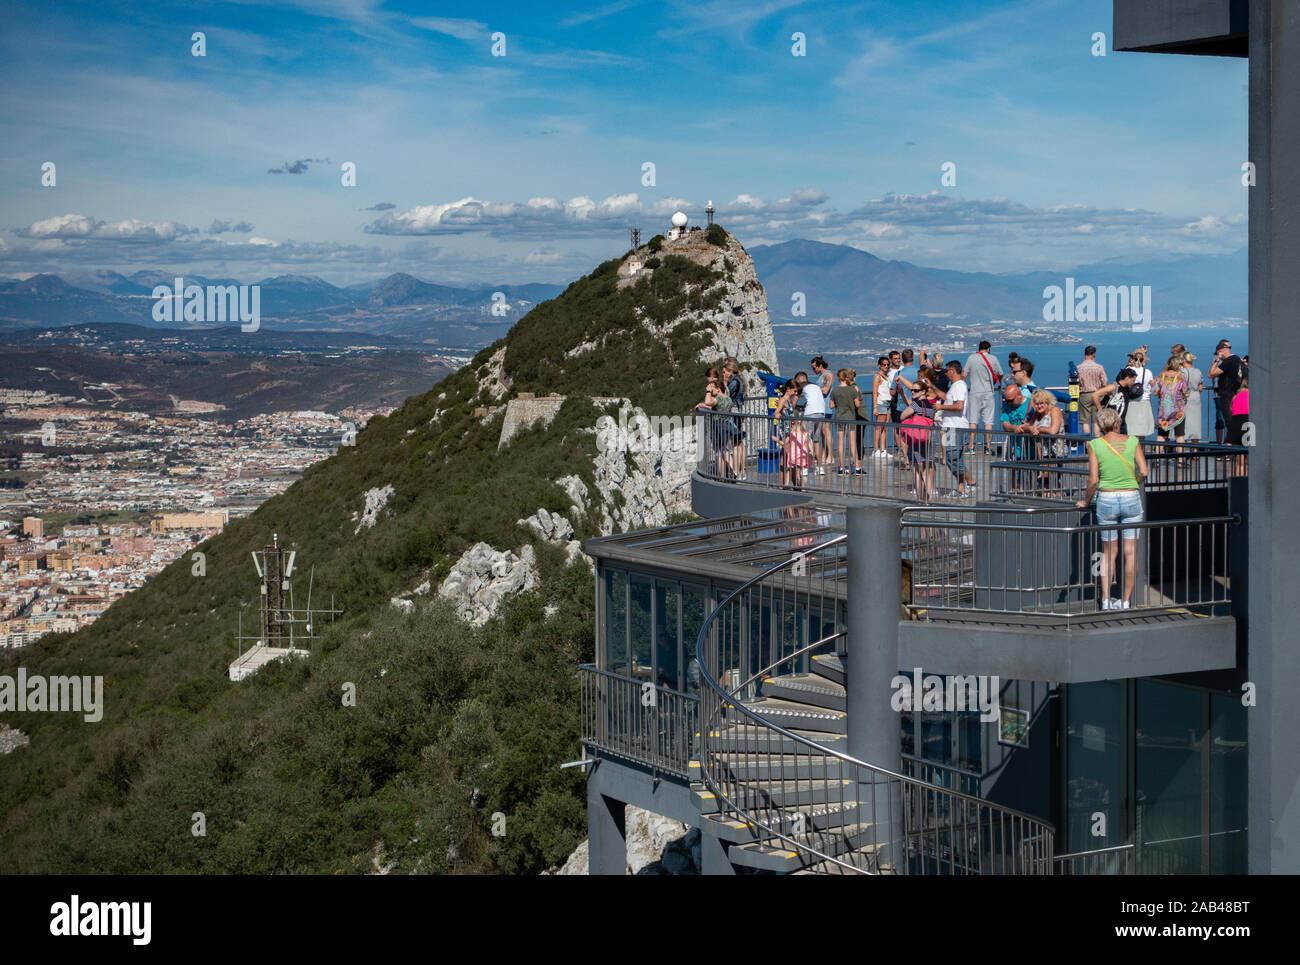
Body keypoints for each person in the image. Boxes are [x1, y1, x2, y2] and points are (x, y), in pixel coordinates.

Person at [1076, 407, 1149, 610]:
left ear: (1100, 426)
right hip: (1131, 497)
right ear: (1117, 423)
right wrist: (1133, 481)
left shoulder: (1095, 445)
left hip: (1106, 498)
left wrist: (1086, 500)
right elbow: (1144, 471)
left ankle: (1106, 599)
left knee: (1108, 553)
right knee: (1130, 552)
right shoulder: (1133, 441)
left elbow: (1093, 480)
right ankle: (1125, 601)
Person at [900, 367, 941, 501]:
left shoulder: (916, 404)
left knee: (917, 469)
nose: (913, 392)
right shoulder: (929, 405)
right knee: (927, 467)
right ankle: (929, 494)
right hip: (928, 438)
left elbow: (902, 415)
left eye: (916, 390)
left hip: (917, 439)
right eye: (912, 390)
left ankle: (920, 496)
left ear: (923, 391)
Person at [937, 359, 973, 497]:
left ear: (952, 370)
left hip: (955, 427)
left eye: (947, 371)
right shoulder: (955, 386)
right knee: (956, 458)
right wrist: (932, 388)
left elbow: (959, 406)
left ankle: (971, 482)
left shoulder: (959, 386)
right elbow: (947, 397)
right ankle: (961, 487)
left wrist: (941, 407)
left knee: (952, 458)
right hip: (950, 426)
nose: (946, 374)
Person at [963, 340, 1003, 454]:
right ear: (988, 349)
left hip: (975, 392)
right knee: (988, 421)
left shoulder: (971, 358)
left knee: (973, 420)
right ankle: (988, 447)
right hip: (988, 392)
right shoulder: (993, 358)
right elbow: (1000, 374)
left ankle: (971, 447)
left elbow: (964, 374)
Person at [1027, 388, 1065, 495]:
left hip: (1055, 451)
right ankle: (1058, 497)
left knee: (1049, 479)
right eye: (1037, 404)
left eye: (1042, 403)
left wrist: (1038, 429)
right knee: (1047, 481)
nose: (1039, 406)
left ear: (1047, 402)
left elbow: (1053, 430)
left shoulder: (1054, 410)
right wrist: (1029, 429)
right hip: (1042, 452)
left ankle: (1056, 499)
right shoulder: (1037, 414)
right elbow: (1029, 426)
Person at [1208, 339, 1243, 446]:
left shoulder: (1228, 362)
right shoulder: (1237, 359)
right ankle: (1236, 446)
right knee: (1234, 421)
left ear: (1221, 351)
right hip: (1236, 393)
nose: (1218, 355)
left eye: (1218, 353)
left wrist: (1216, 361)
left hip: (1227, 395)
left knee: (1229, 421)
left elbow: (1211, 374)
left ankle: (1231, 447)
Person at [829, 367, 864, 474]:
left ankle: (841, 467)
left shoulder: (835, 391)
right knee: (852, 442)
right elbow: (858, 404)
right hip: (850, 417)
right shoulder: (852, 390)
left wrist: (839, 403)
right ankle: (857, 467)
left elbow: (831, 405)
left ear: (838, 378)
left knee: (840, 443)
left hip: (839, 417)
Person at [1000, 382, 1033, 492]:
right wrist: (1015, 428)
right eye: (1007, 400)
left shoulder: (1031, 405)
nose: (1009, 403)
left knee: (1031, 476)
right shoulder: (1007, 406)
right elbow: (1005, 425)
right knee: (1015, 473)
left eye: (1011, 400)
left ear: (1019, 395)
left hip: (1031, 448)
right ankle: (1015, 491)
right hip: (1016, 448)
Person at [797, 369, 829, 475]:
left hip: (810, 414)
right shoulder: (815, 386)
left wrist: (792, 406)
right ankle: (820, 468)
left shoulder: (802, 386)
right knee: (816, 441)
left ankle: (805, 468)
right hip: (821, 413)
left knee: (805, 440)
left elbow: (794, 399)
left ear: (798, 380)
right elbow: (812, 399)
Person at [1153, 355, 1190, 445]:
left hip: (1163, 412)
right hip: (1178, 411)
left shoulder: (1161, 376)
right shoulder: (1180, 378)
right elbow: (1187, 393)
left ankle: (1157, 458)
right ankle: (1180, 459)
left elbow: (1155, 391)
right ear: (1178, 365)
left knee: (1161, 436)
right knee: (1179, 436)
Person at [1090, 368, 1140, 435]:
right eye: (1133, 380)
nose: (1133, 383)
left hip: (1121, 423)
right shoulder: (1114, 387)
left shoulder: (1127, 389)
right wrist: (1100, 411)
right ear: (1127, 378)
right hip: (1111, 423)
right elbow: (1095, 395)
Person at [1124, 350, 1156, 439]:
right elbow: (1152, 387)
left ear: (1133, 359)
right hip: (1144, 401)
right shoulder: (1148, 372)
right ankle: (1140, 449)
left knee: (1130, 430)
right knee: (1142, 430)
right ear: (1143, 360)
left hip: (1131, 402)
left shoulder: (1128, 370)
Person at [1076, 346, 1107, 436]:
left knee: (1085, 421)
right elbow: (1104, 383)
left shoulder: (1079, 368)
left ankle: (1087, 443)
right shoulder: (1099, 367)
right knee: (1096, 420)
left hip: (1084, 395)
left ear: (1084, 354)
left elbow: (1075, 384)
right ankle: (1097, 440)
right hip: (1097, 394)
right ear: (1094, 354)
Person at [1180, 352, 1205, 444]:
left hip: (1184, 397)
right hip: (1195, 397)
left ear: (1183, 360)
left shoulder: (1182, 372)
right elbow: (1200, 387)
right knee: (1196, 423)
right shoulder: (1198, 371)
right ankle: (1195, 451)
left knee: (1184, 423)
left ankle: (1182, 449)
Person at [871, 356, 892, 458]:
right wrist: (875, 407)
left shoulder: (886, 377)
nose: (886, 366)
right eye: (884, 365)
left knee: (885, 428)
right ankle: (876, 449)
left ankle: (883, 449)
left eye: (887, 364)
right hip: (881, 403)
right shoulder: (877, 377)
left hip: (888, 403)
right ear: (879, 365)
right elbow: (875, 392)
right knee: (878, 427)